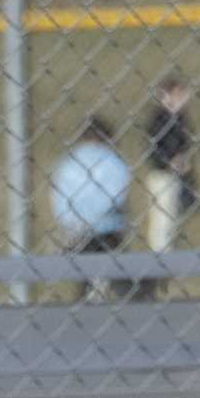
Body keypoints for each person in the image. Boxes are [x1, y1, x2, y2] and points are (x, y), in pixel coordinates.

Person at [48, 115, 131, 301]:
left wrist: (68, 220)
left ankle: (88, 298)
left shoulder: (68, 161)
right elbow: (118, 195)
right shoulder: (111, 159)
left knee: (85, 277)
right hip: (106, 228)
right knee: (109, 275)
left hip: (74, 229)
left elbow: (57, 195)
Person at [137, 73, 198, 298]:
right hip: (162, 176)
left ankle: (168, 268)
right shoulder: (159, 118)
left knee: (172, 224)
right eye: (179, 94)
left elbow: (184, 145)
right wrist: (170, 161)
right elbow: (153, 150)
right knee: (162, 224)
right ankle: (159, 270)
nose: (184, 98)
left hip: (176, 177)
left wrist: (184, 162)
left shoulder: (180, 118)